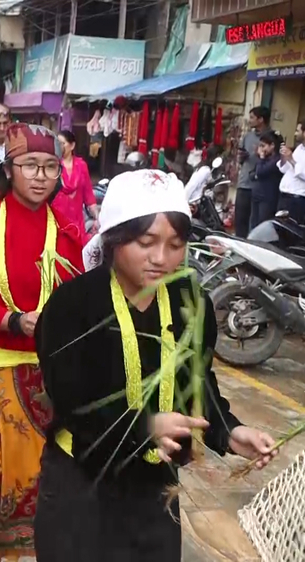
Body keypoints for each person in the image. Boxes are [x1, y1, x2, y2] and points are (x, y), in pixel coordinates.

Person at [35, 169, 278, 561]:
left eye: (175, 244)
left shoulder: (190, 299)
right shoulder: (73, 305)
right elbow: (73, 399)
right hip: (82, 484)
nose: (161, 258)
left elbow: (196, 379)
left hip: (155, 486)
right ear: (114, 238)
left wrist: (229, 431)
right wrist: (145, 425)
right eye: (146, 242)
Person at [0, 123, 83, 562]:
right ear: (10, 170)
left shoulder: (66, 230)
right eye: (30, 166)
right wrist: (12, 320)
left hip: (35, 372)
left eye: (49, 167)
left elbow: (73, 296)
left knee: (22, 480)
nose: (41, 176)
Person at [52, 130, 98, 242]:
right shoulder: (53, 165)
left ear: (72, 145)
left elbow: (89, 195)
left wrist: (97, 218)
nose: (59, 147)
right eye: (57, 143)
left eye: (62, 143)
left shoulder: (81, 166)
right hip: (56, 220)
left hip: (76, 221)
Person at [235, 106, 272, 237]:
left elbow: (275, 162)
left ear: (261, 119)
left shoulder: (272, 138)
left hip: (259, 186)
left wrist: (260, 154)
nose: (249, 120)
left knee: (256, 225)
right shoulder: (247, 136)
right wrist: (241, 156)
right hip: (243, 183)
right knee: (240, 222)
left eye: (252, 118)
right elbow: (240, 158)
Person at [250, 130, 283, 230]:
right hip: (257, 195)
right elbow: (252, 173)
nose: (261, 149)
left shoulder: (277, 160)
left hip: (267, 198)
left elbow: (260, 172)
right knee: (253, 224)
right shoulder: (265, 159)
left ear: (272, 145)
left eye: (263, 146)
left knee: (261, 226)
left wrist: (261, 157)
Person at [278, 120, 305, 223]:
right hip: (284, 196)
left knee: (291, 231)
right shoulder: (299, 148)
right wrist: (284, 157)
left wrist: (291, 159)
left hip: (297, 199)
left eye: (297, 131)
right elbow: (286, 170)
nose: (295, 134)